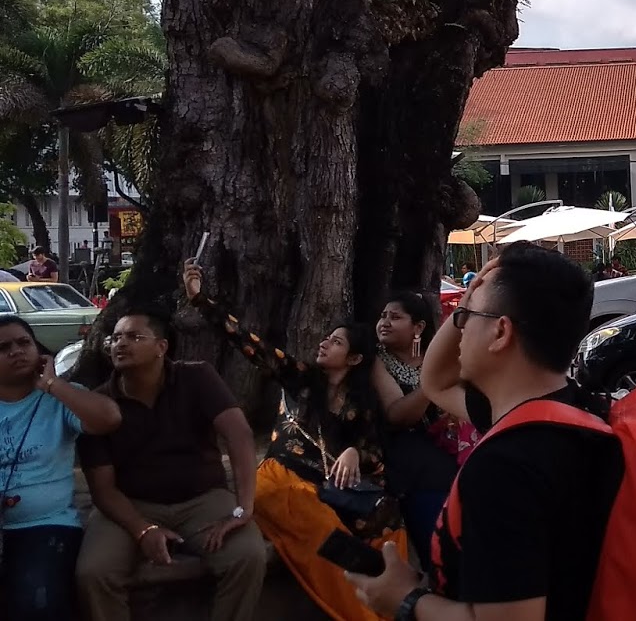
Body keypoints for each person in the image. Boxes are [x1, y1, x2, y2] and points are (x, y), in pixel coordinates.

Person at [352, 243, 624, 621]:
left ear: (500, 332)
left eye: (465, 316)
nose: (458, 325)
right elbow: (436, 381)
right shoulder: (579, 412)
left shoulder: (504, 467)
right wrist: (478, 292)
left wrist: (405, 600)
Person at [184, 262, 403, 621]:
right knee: (326, 535)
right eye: (326, 337)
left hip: (325, 487)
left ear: (355, 358)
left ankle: (394, 606)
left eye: (335, 342)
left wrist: (352, 452)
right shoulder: (300, 380)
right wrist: (200, 300)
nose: (324, 342)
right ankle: (364, 616)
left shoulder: (359, 405)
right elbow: (250, 345)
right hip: (280, 481)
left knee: (390, 526)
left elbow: (374, 455)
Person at [75, 304, 267, 621]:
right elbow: (103, 490)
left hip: (203, 499)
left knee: (247, 556)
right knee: (93, 572)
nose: (121, 344)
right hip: (130, 504)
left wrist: (243, 507)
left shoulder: (197, 377)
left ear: (161, 347)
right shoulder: (99, 404)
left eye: (134, 336)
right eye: (116, 338)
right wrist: (143, 530)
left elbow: (240, 435)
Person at [1, 314, 122, 621]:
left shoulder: (61, 397)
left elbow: (108, 418)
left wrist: (53, 385)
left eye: (23, 342)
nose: (16, 351)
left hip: (46, 524)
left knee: (36, 604)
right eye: (3, 348)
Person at [370, 292, 458, 573]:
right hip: (399, 454)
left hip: (445, 447)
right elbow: (397, 415)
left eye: (395, 317)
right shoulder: (375, 360)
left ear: (418, 327)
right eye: (383, 316)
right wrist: (432, 385)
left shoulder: (435, 359)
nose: (384, 322)